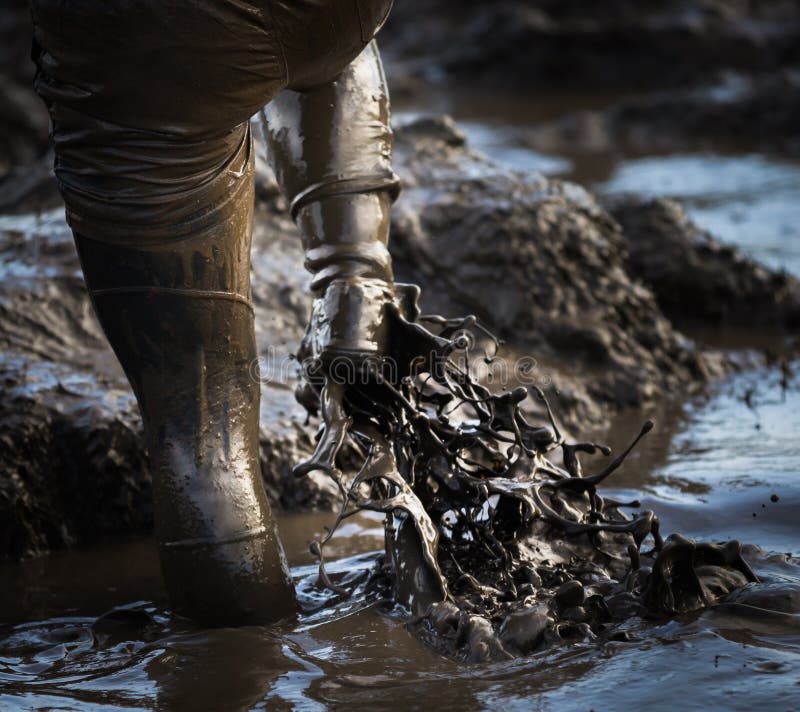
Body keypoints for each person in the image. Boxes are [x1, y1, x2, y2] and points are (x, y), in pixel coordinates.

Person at [30, 0, 398, 626]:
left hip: (165, 39)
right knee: (307, 30)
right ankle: (355, 275)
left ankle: (242, 666)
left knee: (201, 429)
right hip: (345, 15)